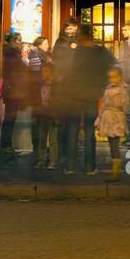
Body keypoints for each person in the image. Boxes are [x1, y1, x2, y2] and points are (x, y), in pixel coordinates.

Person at [67, 24, 112, 175]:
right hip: (92, 94)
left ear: (81, 35)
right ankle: (89, 167)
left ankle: (70, 166)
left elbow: (67, 72)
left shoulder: (74, 52)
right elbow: (112, 67)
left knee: (72, 129)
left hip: (73, 95)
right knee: (89, 130)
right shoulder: (100, 51)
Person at [51, 18, 80, 172]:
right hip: (62, 86)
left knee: (73, 122)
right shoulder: (60, 43)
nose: (70, 31)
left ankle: (71, 151)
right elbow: (58, 60)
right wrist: (71, 49)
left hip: (74, 86)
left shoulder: (79, 42)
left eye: (73, 28)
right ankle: (63, 152)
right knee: (63, 121)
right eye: (68, 28)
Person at [95, 66, 129, 178]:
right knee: (111, 144)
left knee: (114, 145)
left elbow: (123, 104)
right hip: (108, 118)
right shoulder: (108, 88)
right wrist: (99, 118)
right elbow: (104, 103)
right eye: (110, 77)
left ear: (120, 77)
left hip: (116, 119)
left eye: (115, 77)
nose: (112, 79)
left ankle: (116, 171)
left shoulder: (123, 89)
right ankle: (114, 169)